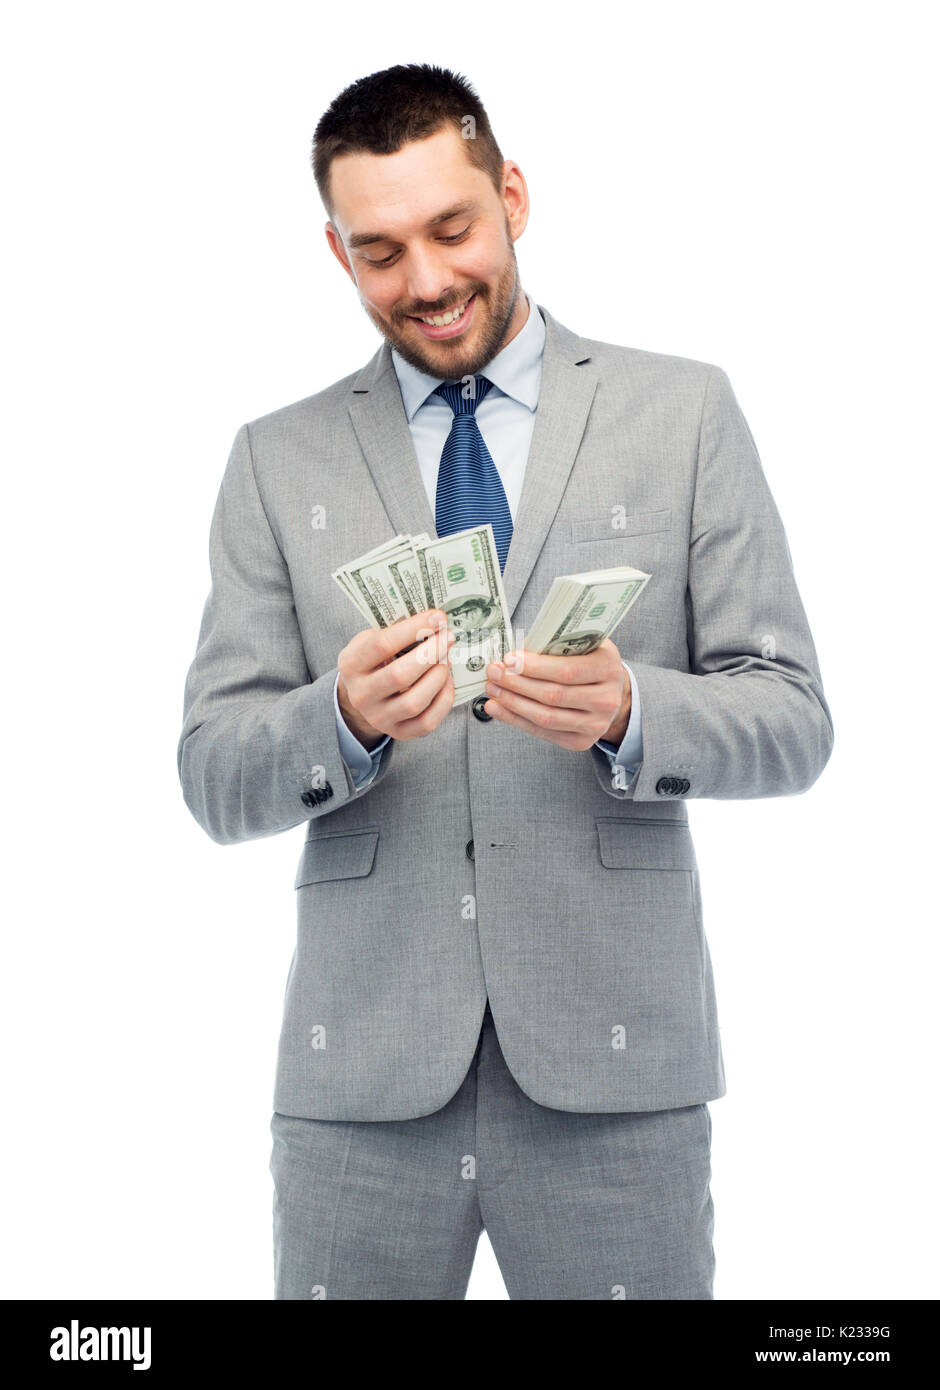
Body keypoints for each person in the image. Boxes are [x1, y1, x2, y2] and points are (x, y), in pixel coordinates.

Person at [177, 63, 834, 1300]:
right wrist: (342, 718)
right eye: (379, 251)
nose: (424, 281)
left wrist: (639, 710)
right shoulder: (274, 460)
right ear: (337, 254)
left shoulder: (682, 413)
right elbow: (213, 774)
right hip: (360, 1074)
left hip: (616, 1067)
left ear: (513, 197)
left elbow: (793, 717)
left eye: (451, 228)